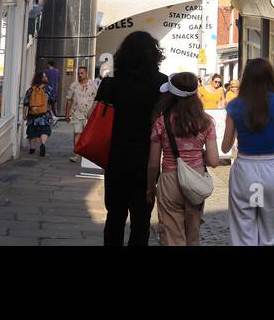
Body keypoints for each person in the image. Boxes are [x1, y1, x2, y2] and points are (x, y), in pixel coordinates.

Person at [96, 31, 167, 246]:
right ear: (153, 54)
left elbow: (97, 115)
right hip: (147, 161)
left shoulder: (110, 82)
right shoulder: (161, 83)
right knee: (141, 220)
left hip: (115, 157)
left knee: (115, 217)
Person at [221, 58, 274, 246]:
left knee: (243, 229)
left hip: (245, 169)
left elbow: (225, 147)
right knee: (269, 230)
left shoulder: (235, 105)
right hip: (271, 168)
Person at [147, 71, 220, 246]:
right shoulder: (206, 122)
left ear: (170, 96)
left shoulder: (161, 122)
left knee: (172, 236)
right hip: (195, 180)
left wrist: (150, 187)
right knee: (193, 235)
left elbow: (153, 163)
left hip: (170, 180)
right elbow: (214, 161)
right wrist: (197, 154)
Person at [66, 65, 99, 162]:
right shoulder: (73, 85)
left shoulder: (93, 85)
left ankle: (87, 154)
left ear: (86, 73)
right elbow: (69, 100)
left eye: (82, 73)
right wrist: (67, 114)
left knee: (88, 134)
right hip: (76, 113)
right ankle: (76, 154)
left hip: (89, 113)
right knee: (77, 133)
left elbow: (97, 100)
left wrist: (95, 112)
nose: (80, 75)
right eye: (78, 73)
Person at [23, 71, 54, 156]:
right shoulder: (49, 89)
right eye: (44, 77)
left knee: (31, 131)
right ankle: (43, 144)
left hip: (32, 114)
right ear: (41, 78)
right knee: (45, 130)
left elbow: (26, 103)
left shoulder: (31, 89)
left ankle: (32, 148)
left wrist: (24, 114)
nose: (46, 78)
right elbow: (52, 101)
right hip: (44, 114)